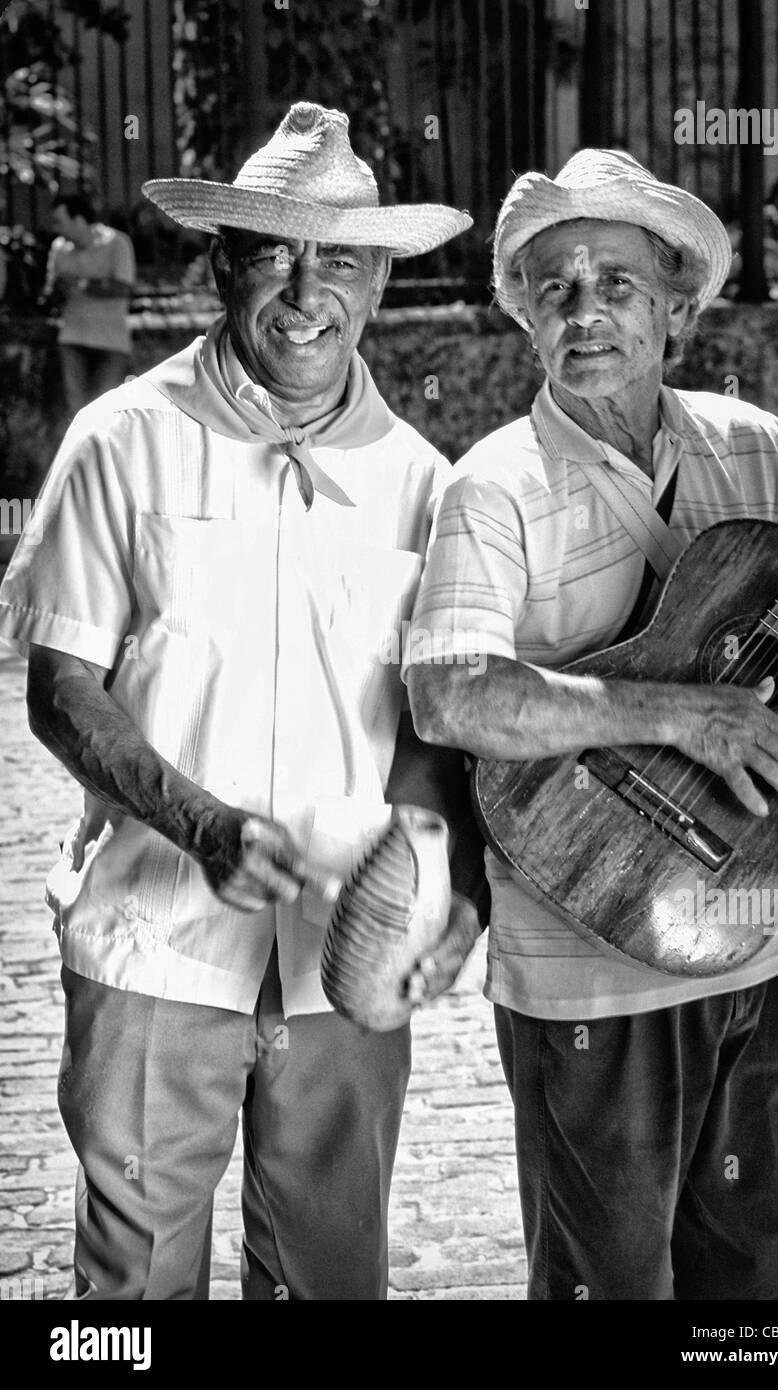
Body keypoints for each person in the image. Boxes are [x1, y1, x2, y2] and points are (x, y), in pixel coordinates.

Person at [0, 102, 478, 1300]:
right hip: (155, 946)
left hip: (342, 971)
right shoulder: (121, 439)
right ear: (220, 264)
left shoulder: (422, 483)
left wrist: (448, 887)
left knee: (329, 1281)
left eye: (341, 258)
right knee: (129, 1300)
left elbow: (430, 730)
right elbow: (61, 689)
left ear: (378, 281)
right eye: (274, 252)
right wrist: (203, 825)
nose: (307, 290)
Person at [405, 149, 778, 1300]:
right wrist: (688, 719)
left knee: (757, 1288)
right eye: (553, 288)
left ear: (675, 309)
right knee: (606, 1285)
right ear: (525, 321)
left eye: (615, 283)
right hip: (581, 967)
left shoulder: (754, 449)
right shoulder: (491, 486)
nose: (585, 311)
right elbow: (449, 694)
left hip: (750, 930)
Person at [43, 193, 136, 416]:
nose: (56, 229)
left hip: (110, 340)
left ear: (78, 220)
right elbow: (50, 297)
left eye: (59, 222)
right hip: (73, 337)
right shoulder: (59, 248)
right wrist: (57, 288)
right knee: (75, 411)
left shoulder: (117, 243)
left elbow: (124, 288)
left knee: (106, 410)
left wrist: (82, 284)